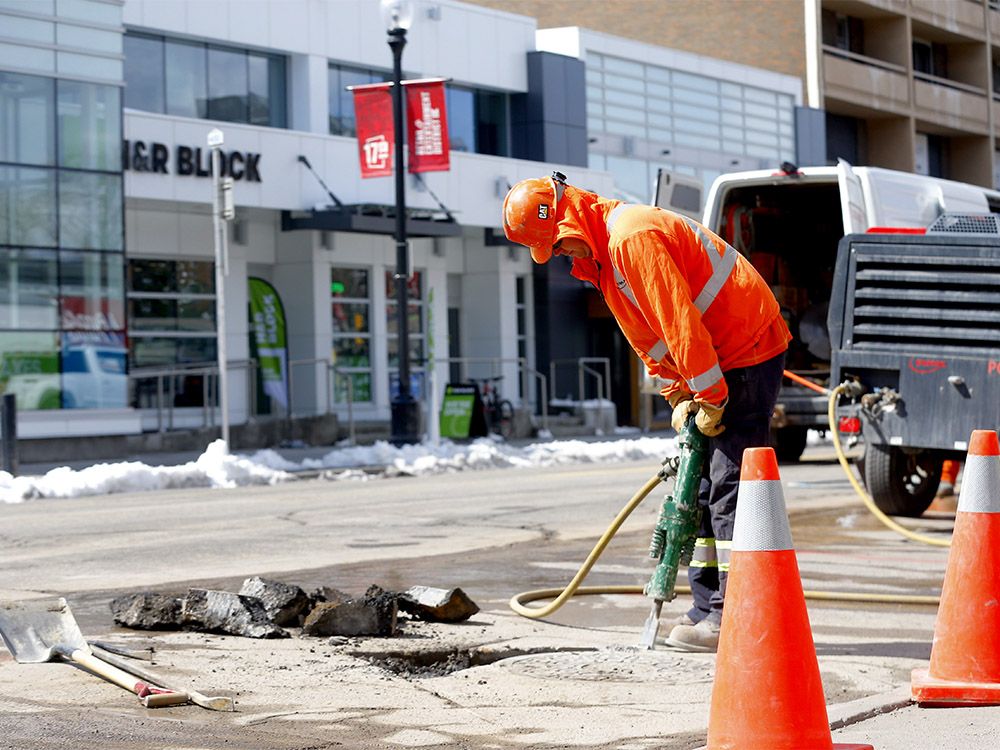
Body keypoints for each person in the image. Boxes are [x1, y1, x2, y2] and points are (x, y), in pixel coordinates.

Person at [502, 172, 790, 652]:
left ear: (567, 225)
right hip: (717, 357)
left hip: (744, 348)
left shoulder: (630, 238)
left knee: (729, 487)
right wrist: (678, 394)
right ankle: (708, 606)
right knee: (698, 488)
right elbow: (649, 338)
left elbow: (679, 322)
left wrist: (709, 393)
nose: (561, 257)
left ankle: (734, 615)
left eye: (557, 247)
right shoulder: (603, 260)